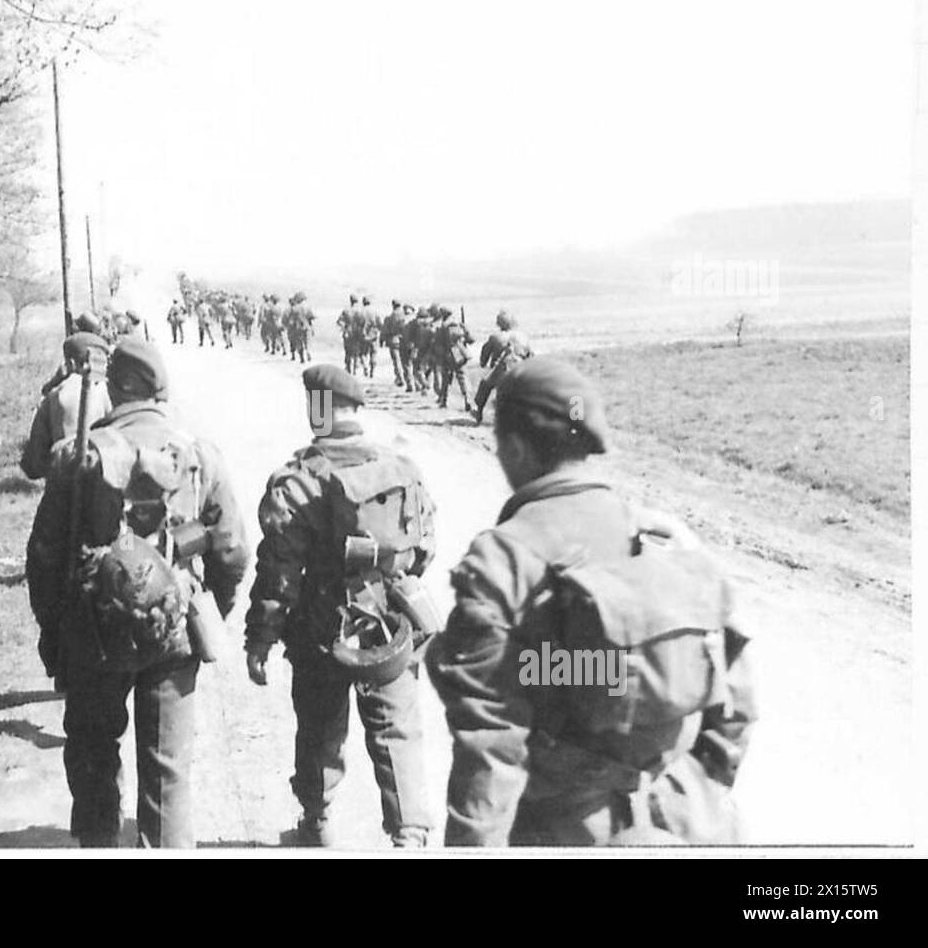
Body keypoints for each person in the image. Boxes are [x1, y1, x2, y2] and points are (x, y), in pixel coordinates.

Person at [425, 357, 757, 846]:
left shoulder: (501, 561)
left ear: (514, 448)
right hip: (693, 822)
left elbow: (491, 750)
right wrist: (698, 792)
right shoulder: (663, 536)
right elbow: (735, 698)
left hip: (567, 830)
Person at [26, 340, 250, 848]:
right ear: (158, 390)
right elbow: (232, 549)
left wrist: (53, 630)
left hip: (92, 631)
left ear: (114, 388)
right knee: (168, 771)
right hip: (173, 631)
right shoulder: (196, 454)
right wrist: (214, 605)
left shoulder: (78, 457)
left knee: (92, 753)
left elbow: (43, 555)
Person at [245, 364, 438, 848]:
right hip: (389, 625)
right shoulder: (403, 470)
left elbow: (278, 574)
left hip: (321, 627)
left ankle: (319, 823)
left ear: (320, 410)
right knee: (396, 730)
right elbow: (424, 548)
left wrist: (261, 639)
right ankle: (409, 836)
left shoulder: (297, 480)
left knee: (318, 727)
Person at [21, 333, 113, 480]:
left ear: (69, 364)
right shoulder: (108, 391)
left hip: (64, 479)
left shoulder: (54, 395)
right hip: (102, 476)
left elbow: (35, 462)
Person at [473, 310, 533, 425]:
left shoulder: (495, 337)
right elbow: (530, 355)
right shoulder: (523, 337)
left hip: (501, 370)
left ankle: (479, 411)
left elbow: (485, 353)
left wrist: (483, 363)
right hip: (520, 370)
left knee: (485, 385)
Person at [435, 307, 474, 412]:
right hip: (460, 355)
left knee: (445, 379)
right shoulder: (459, 325)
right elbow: (471, 339)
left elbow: (438, 343)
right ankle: (467, 400)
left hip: (448, 355)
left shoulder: (442, 327)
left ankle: (443, 400)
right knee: (462, 378)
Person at [381, 300, 407, 387]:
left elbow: (385, 330)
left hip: (393, 340)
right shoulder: (405, 316)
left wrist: (382, 340)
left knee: (397, 361)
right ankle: (406, 378)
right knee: (405, 361)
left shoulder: (391, 317)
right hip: (404, 340)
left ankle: (400, 378)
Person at [336, 294, 360, 374]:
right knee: (356, 351)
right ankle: (355, 368)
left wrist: (344, 327)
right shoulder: (360, 311)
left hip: (347, 333)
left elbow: (339, 321)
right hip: (357, 333)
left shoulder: (346, 310)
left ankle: (348, 368)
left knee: (348, 352)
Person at [359, 295, 381, 378]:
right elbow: (379, 323)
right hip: (373, 336)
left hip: (363, 336)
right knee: (373, 353)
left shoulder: (361, 311)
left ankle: (365, 367)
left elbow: (357, 323)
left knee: (363, 354)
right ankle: (372, 371)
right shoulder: (375, 311)